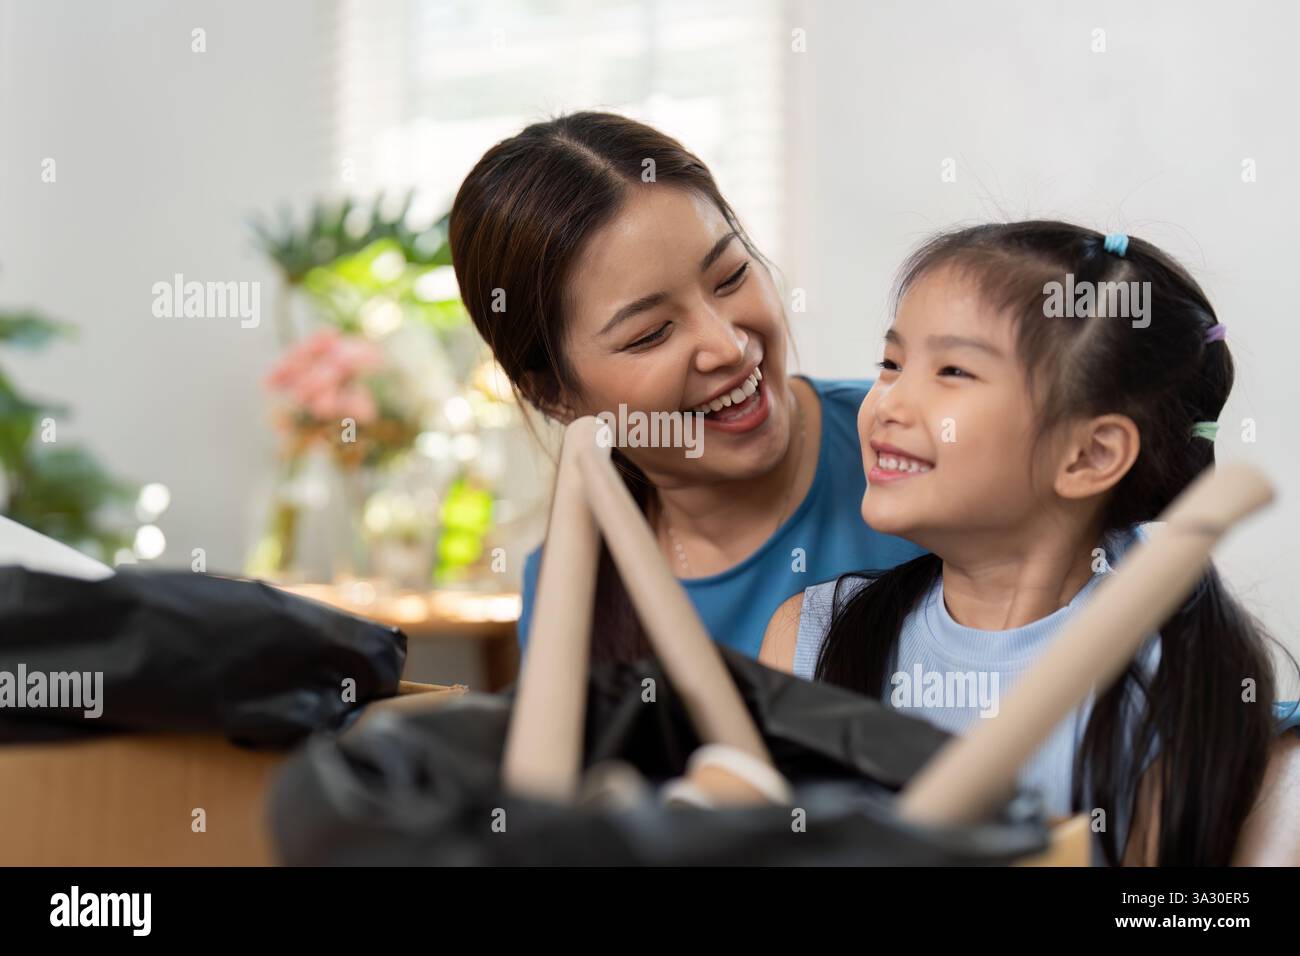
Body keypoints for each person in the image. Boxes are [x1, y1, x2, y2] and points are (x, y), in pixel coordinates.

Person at [761, 221, 1300, 865]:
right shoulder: (810, 639)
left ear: (1088, 455)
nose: (887, 404)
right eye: (892, 364)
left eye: (952, 371)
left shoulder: (1177, 688)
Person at [449, 111, 922, 662]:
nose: (727, 347)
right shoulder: (571, 588)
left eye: (731, 277)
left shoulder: (920, 452)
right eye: (650, 334)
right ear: (552, 395)